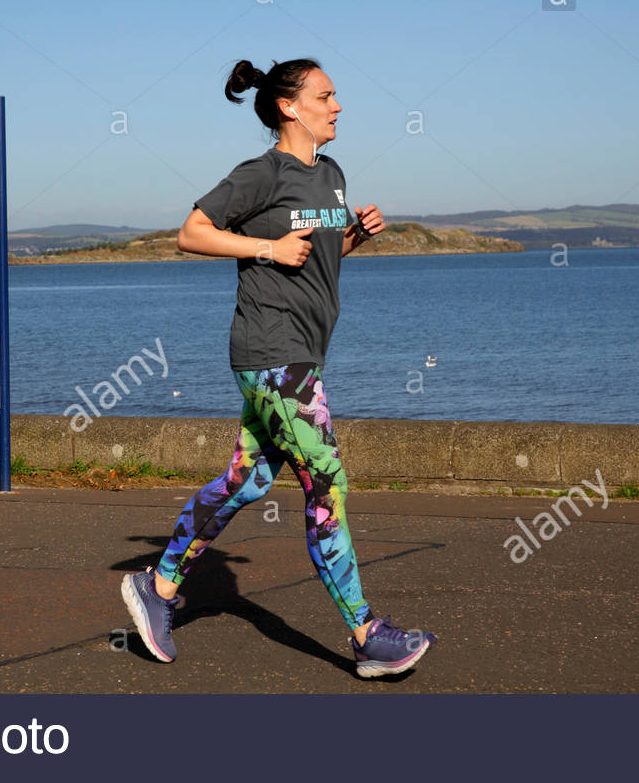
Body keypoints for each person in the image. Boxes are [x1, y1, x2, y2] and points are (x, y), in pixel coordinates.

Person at [120, 57, 436, 678]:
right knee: (327, 485)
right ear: (291, 107)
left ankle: (156, 588)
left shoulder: (332, 174)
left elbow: (317, 254)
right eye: (327, 95)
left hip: (299, 352)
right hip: (272, 354)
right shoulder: (260, 174)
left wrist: (356, 238)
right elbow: (192, 233)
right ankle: (367, 635)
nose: (338, 105)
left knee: (248, 481)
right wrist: (264, 245)